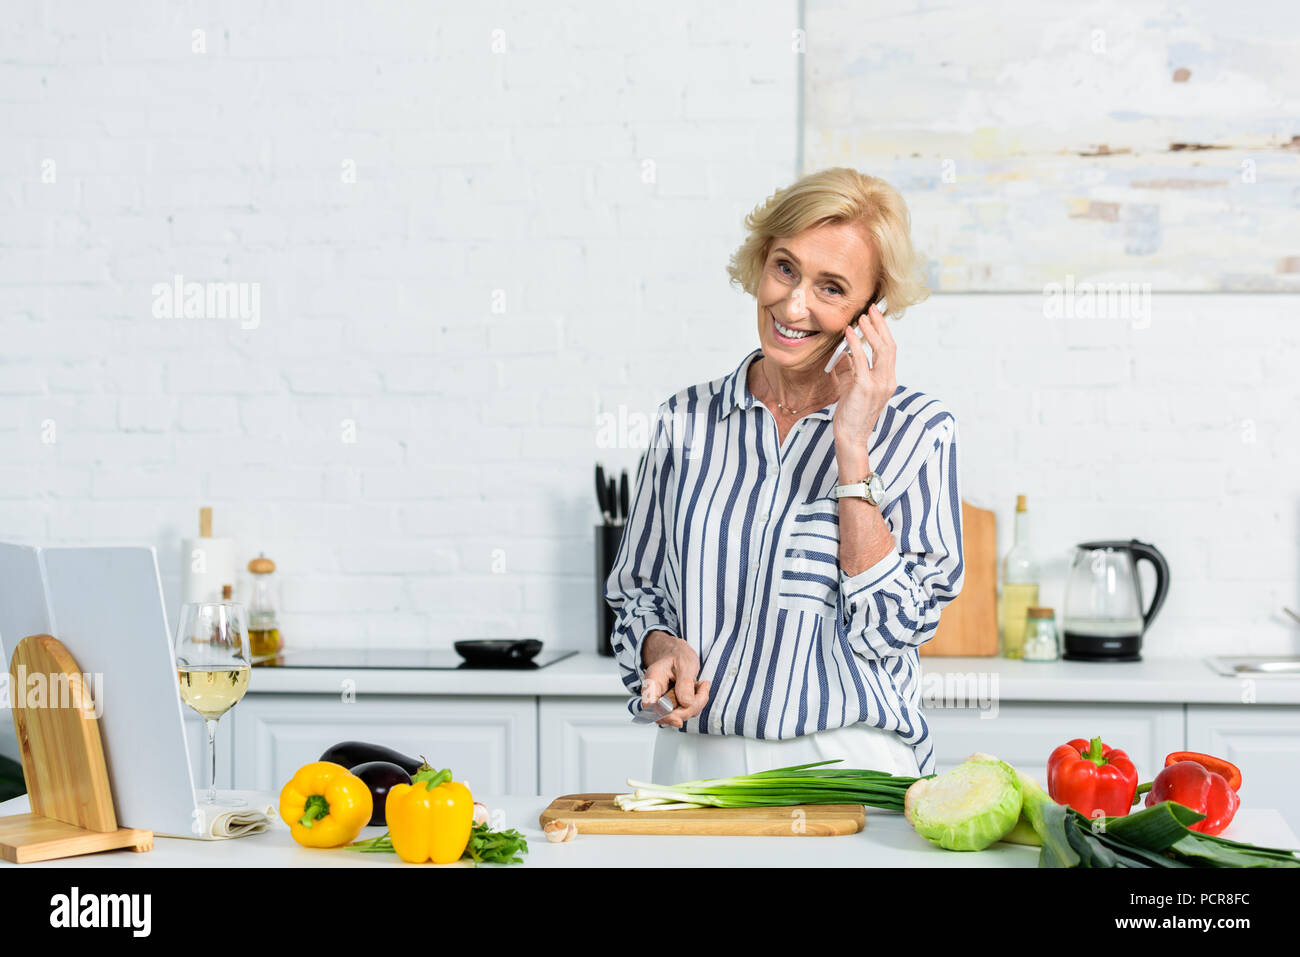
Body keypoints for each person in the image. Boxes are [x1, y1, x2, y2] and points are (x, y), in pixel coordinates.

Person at [604, 167, 964, 784]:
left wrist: (852, 444)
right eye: (785, 268)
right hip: (695, 767)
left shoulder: (919, 432)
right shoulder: (685, 420)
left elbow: (894, 629)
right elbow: (637, 590)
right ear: (760, 261)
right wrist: (659, 646)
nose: (793, 305)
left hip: (848, 767)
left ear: (870, 310)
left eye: (831, 288)